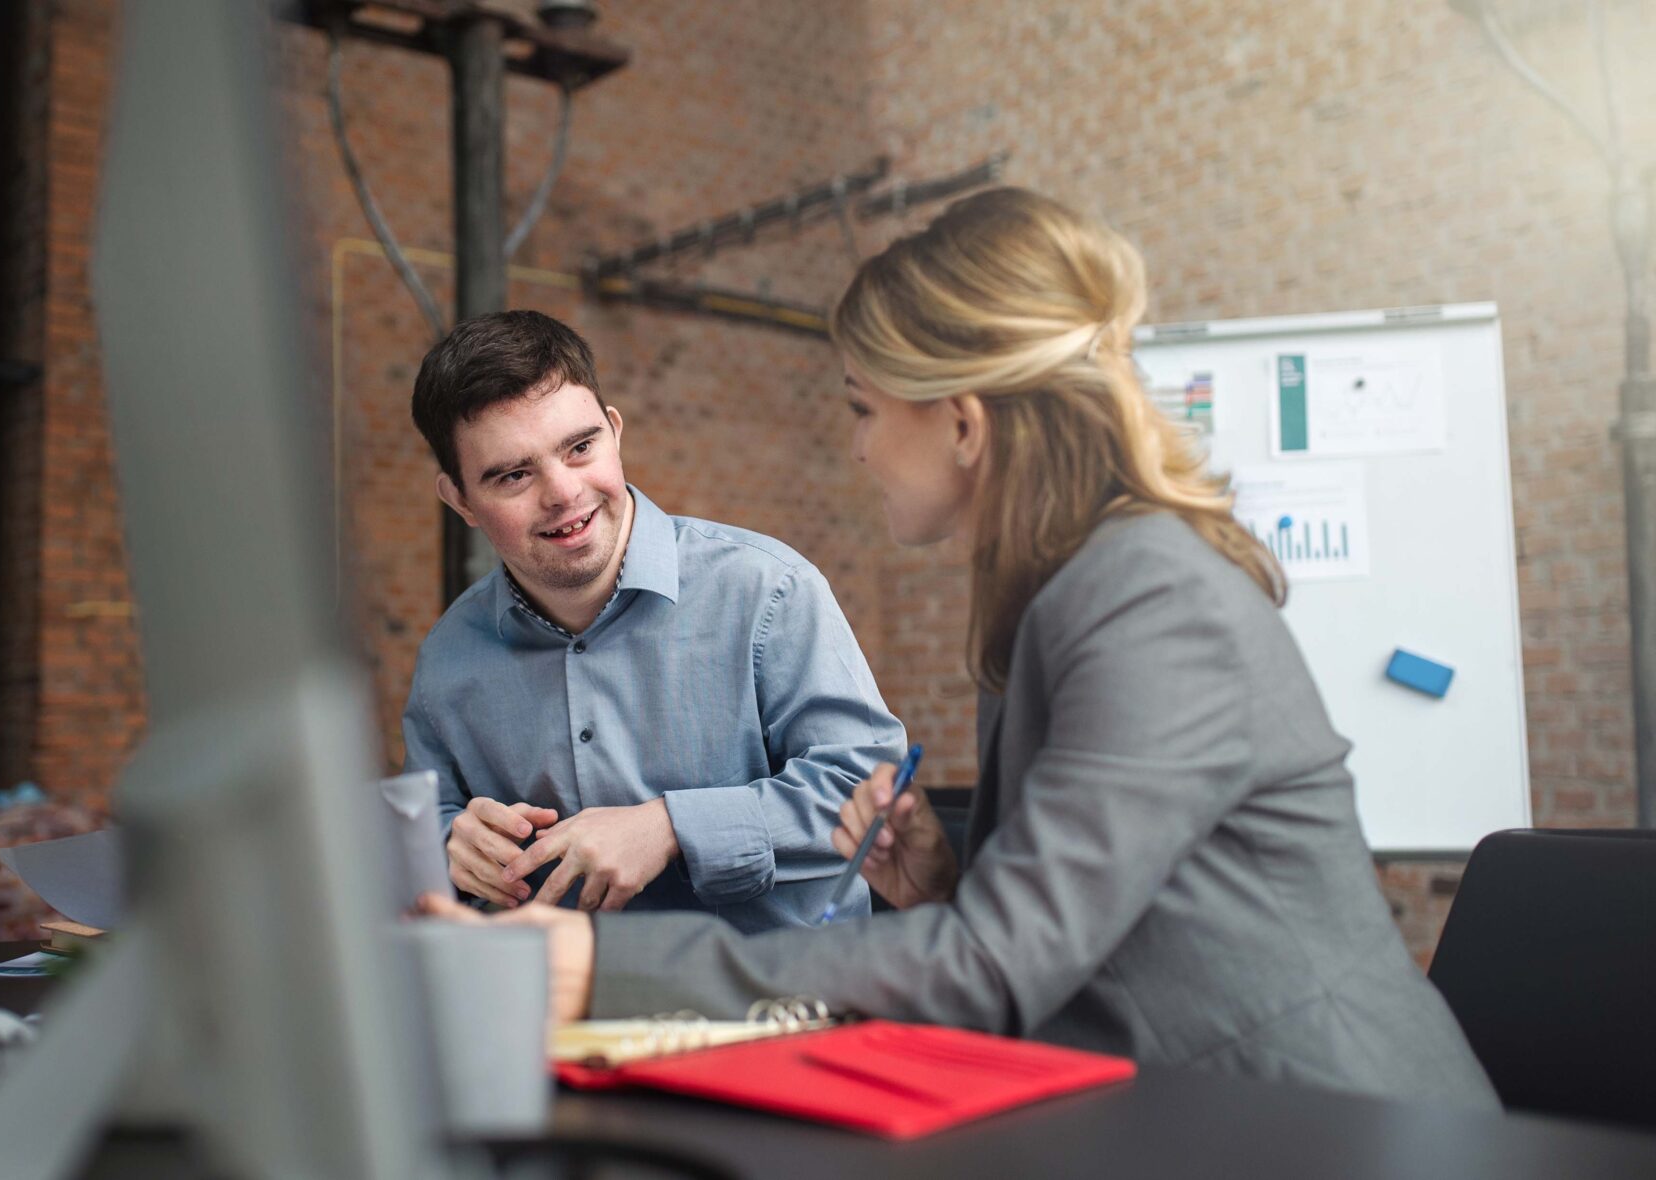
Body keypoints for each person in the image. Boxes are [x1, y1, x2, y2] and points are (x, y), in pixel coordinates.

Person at [421, 190, 1499, 1106]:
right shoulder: (1059, 593)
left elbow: (998, 963)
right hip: (1182, 1108)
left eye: (863, 408)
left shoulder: (1149, 600)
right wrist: (943, 882)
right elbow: (1077, 929)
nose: (857, 449)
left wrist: (595, 963)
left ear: (964, 426)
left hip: (1328, 1119)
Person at [402, 310, 906, 933]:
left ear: (615, 432)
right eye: (514, 475)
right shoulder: (449, 658)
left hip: (779, 1005)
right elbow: (425, 829)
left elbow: (871, 796)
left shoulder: (766, 590)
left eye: (580, 448)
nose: (562, 493)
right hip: (566, 1019)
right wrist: (450, 844)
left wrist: (671, 827)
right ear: (459, 499)